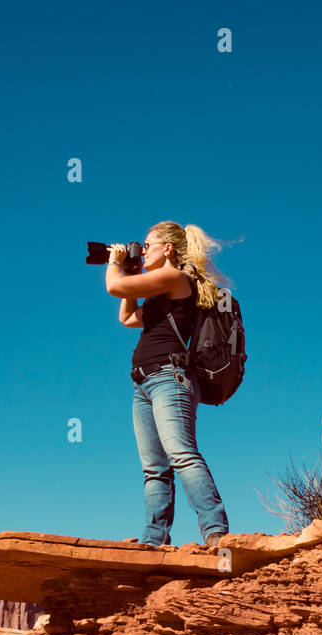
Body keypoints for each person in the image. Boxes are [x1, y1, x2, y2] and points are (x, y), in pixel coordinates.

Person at [104, 221, 230, 548]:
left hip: (169, 379)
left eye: (148, 246)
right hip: (144, 384)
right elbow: (127, 317)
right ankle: (153, 538)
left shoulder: (176, 278)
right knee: (154, 469)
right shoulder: (160, 294)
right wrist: (131, 273)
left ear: (168, 249)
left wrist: (116, 263)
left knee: (182, 455)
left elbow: (114, 288)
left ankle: (216, 531)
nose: (143, 251)